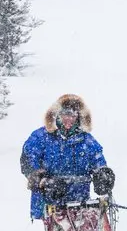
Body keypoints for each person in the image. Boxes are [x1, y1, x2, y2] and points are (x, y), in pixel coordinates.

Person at [20, 93, 115, 222]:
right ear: (57, 115)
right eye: (65, 115)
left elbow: (98, 161)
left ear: (78, 117)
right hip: (48, 205)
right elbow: (28, 161)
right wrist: (42, 181)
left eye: (73, 116)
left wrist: (103, 174)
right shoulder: (41, 137)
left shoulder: (87, 141)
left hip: (80, 205)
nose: (68, 120)